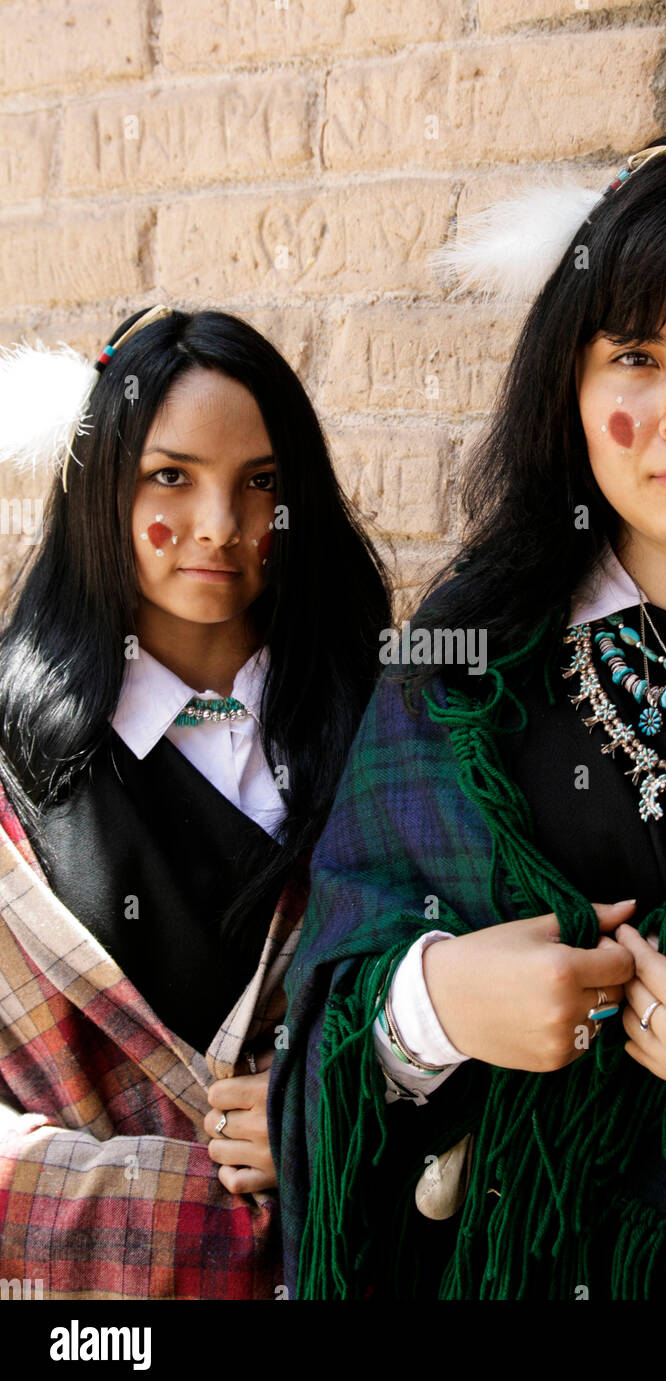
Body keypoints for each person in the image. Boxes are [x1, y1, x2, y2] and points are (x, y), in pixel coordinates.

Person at [269, 137, 666, 1301]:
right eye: (634, 357)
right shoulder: (464, 668)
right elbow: (330, 1016)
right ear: (570, 386)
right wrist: (430, 1007)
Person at [0, 306, 390, 1298]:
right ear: (100, 489)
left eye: (260, 485)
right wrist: (173, 1198)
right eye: (170, 477)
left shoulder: (387, 739)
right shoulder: (10, 759)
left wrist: (331, 1107)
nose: (220, 526)